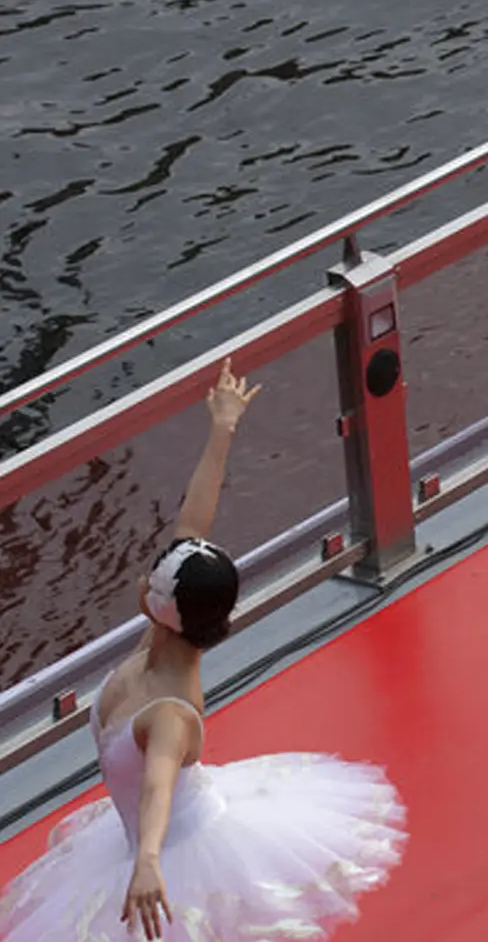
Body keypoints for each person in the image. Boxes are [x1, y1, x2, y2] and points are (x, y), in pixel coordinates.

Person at [0, 362, 406, 942]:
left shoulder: (167, 710)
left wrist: (146, 862)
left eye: (153, 576)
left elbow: (159, 784)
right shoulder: (162, 636)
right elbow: (196, 516)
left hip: (174, 852)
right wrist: (222, 428)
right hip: (141, 841)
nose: (145, 573)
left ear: (162, 605)